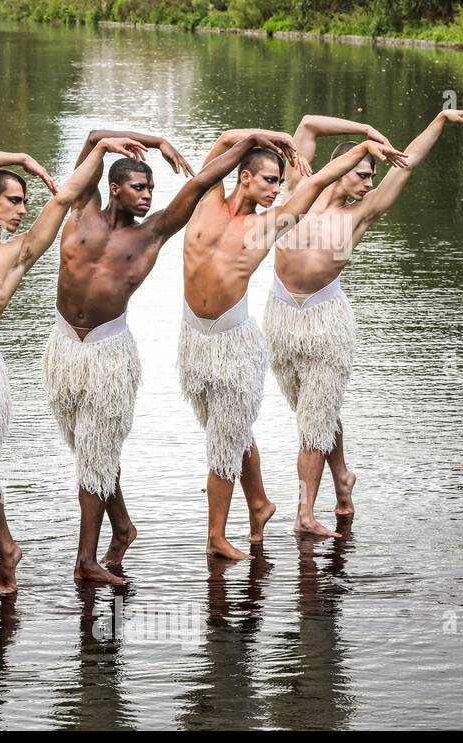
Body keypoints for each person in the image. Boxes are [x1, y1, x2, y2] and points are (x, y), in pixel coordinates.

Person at [46, 130, 294, 583]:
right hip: (62, 350)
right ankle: (122, 527)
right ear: (114, 187)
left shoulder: (154, 232)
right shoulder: (80, 209)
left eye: (152, 190)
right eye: (139, 188)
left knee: (96, 454)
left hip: (107, 352)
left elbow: (200, 184)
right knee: (88, 454)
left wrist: (253, 139)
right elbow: (93, 140)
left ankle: (87, 559)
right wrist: (150, 140)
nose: (147, 197)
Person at [0, 139, 145, 613]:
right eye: (16, 200)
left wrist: (100, 148)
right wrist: (18, 158)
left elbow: (63, 200)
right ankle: (7, 548)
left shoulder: (18, 253)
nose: (24, 210)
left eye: (26, 202)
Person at [180, 128, 407, 560]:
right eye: (268, 180)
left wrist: (360, 147)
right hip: (195, 343)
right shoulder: (205, 199)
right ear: (243, 176)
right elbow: (225, 145)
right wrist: (260, 136)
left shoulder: (273, 223)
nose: (275, 189)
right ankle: (261, 504)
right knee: (231, 433)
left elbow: (319, 181)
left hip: (238, 343)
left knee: (229, 441)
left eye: (279, 182)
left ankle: (217, 537)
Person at [267, 109, 463, 538]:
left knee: (313, 422)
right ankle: (343, 477)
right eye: (363, 174)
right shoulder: (297, 187)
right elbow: (308, 124)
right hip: (280, 318)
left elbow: (410, 161)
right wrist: (365, 129)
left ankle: (305, 514)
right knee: (315, 412)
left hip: (328, 323)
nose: (369, 183)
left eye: (371, 177)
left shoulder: (362, 214)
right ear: (344, 165)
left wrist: (439, 119)